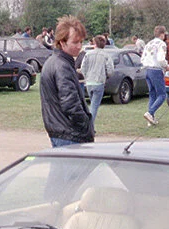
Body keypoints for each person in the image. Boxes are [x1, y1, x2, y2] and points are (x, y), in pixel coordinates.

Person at [39, 15, 92, 147]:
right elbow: (70, 105)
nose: (79, 46)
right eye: (75, 42)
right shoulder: (62, 66)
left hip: (61, 131)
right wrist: (86, 125)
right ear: (62, 43)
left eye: (81, 41)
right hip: (69, 135)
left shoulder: (55, 62)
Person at [80, 35, 114, 127]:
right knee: (94, 106)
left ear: (95, 43)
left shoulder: (88, 54)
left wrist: (87, 77)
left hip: (89, 83)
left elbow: (83, 68)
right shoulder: (106, 55)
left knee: (92, 105)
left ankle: (89, 125)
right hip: (99, 83)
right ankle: (89, 127)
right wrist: (106, 76)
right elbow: (110, 70)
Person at [141, 25, 169, 126]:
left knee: (152, 94)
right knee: (162, 95)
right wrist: (165, 66)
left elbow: (143, 58)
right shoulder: (162, 44)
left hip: (147, 69)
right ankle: (150, 112)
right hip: (156, 70)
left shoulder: (149, 43)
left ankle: (150, 119)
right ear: (162, 34)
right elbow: (161, 59)